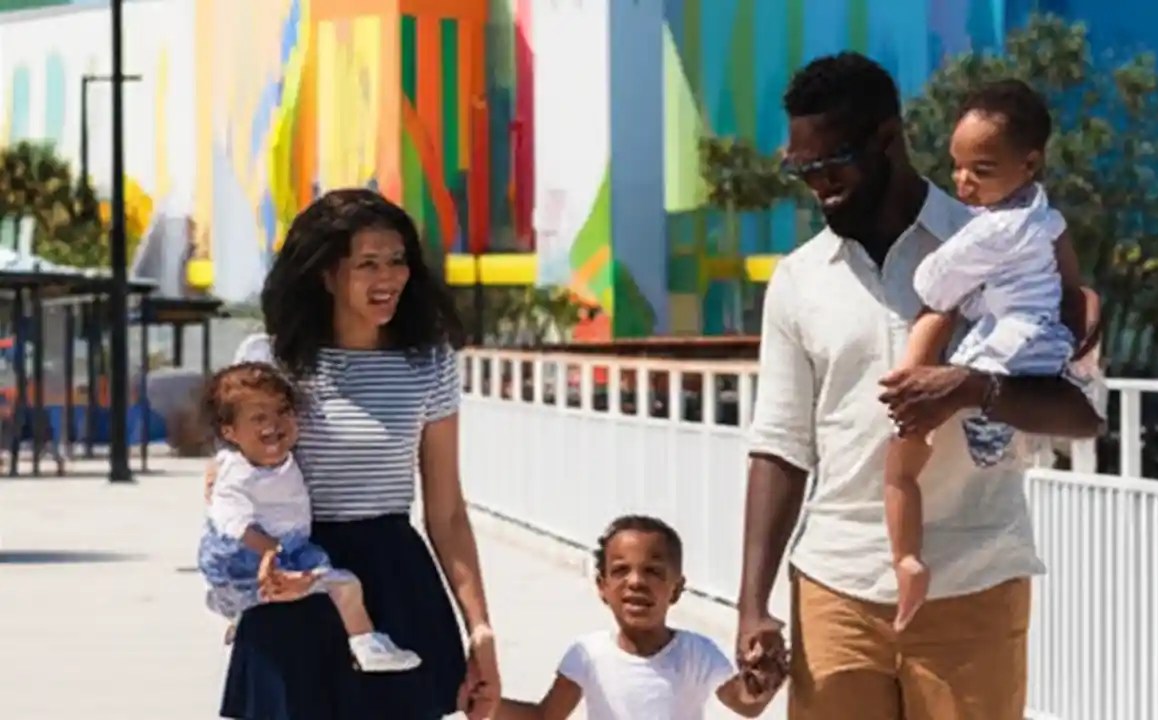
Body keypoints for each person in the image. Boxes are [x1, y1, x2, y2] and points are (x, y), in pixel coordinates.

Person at [736, 52, 1107, 720]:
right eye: (803, 170)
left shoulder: (1007, 243)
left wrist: (972, 387)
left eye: (830, 165)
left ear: (887, 140)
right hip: (834, 592)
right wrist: (750, 605)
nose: (818, 185)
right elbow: (781, 446)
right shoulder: (798, 280)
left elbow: (1083, 414)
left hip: (975, 585)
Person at [215, 189, 500, 719]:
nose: (387, 277)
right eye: (367, 264)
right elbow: (228, 484)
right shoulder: (269, 360)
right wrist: (262, 564)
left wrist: (479, 628)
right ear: (326, 274)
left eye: (397, 262)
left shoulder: (429, 364)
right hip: (296, 576)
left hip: (395, 580)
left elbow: (447, 512)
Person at [883, 79, 1087, 632]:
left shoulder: (993, 232)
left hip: (1002, 354)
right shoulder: (1047, 219)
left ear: (1030, 163)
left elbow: (932, 281)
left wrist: (956, 297)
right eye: (956, 167)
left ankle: (906, 556)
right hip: (1044, 347)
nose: (963, 183)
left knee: (899, 467)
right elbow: (1073, 293)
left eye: (981, 170)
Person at [198, 361, 422, 672]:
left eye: (283, 411)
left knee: (331, 582)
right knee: (345, 585)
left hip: (284, 550)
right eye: (259, 417)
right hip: (252, 557)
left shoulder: (262, 457)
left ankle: (242, 610)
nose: (274, 424)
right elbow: (233, 526)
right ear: (230, 432)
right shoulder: (235, 477)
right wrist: (269, 552)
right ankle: (365, 645)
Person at [498, 515, 782, 719]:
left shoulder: (696, 653)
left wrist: (763, 679)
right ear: (602, 586)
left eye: (653, 571)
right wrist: (473, 698)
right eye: (621, 571)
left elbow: (745, 704)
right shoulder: (587, 655)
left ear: (677, 589)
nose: (636, 582)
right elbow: (544, 716)